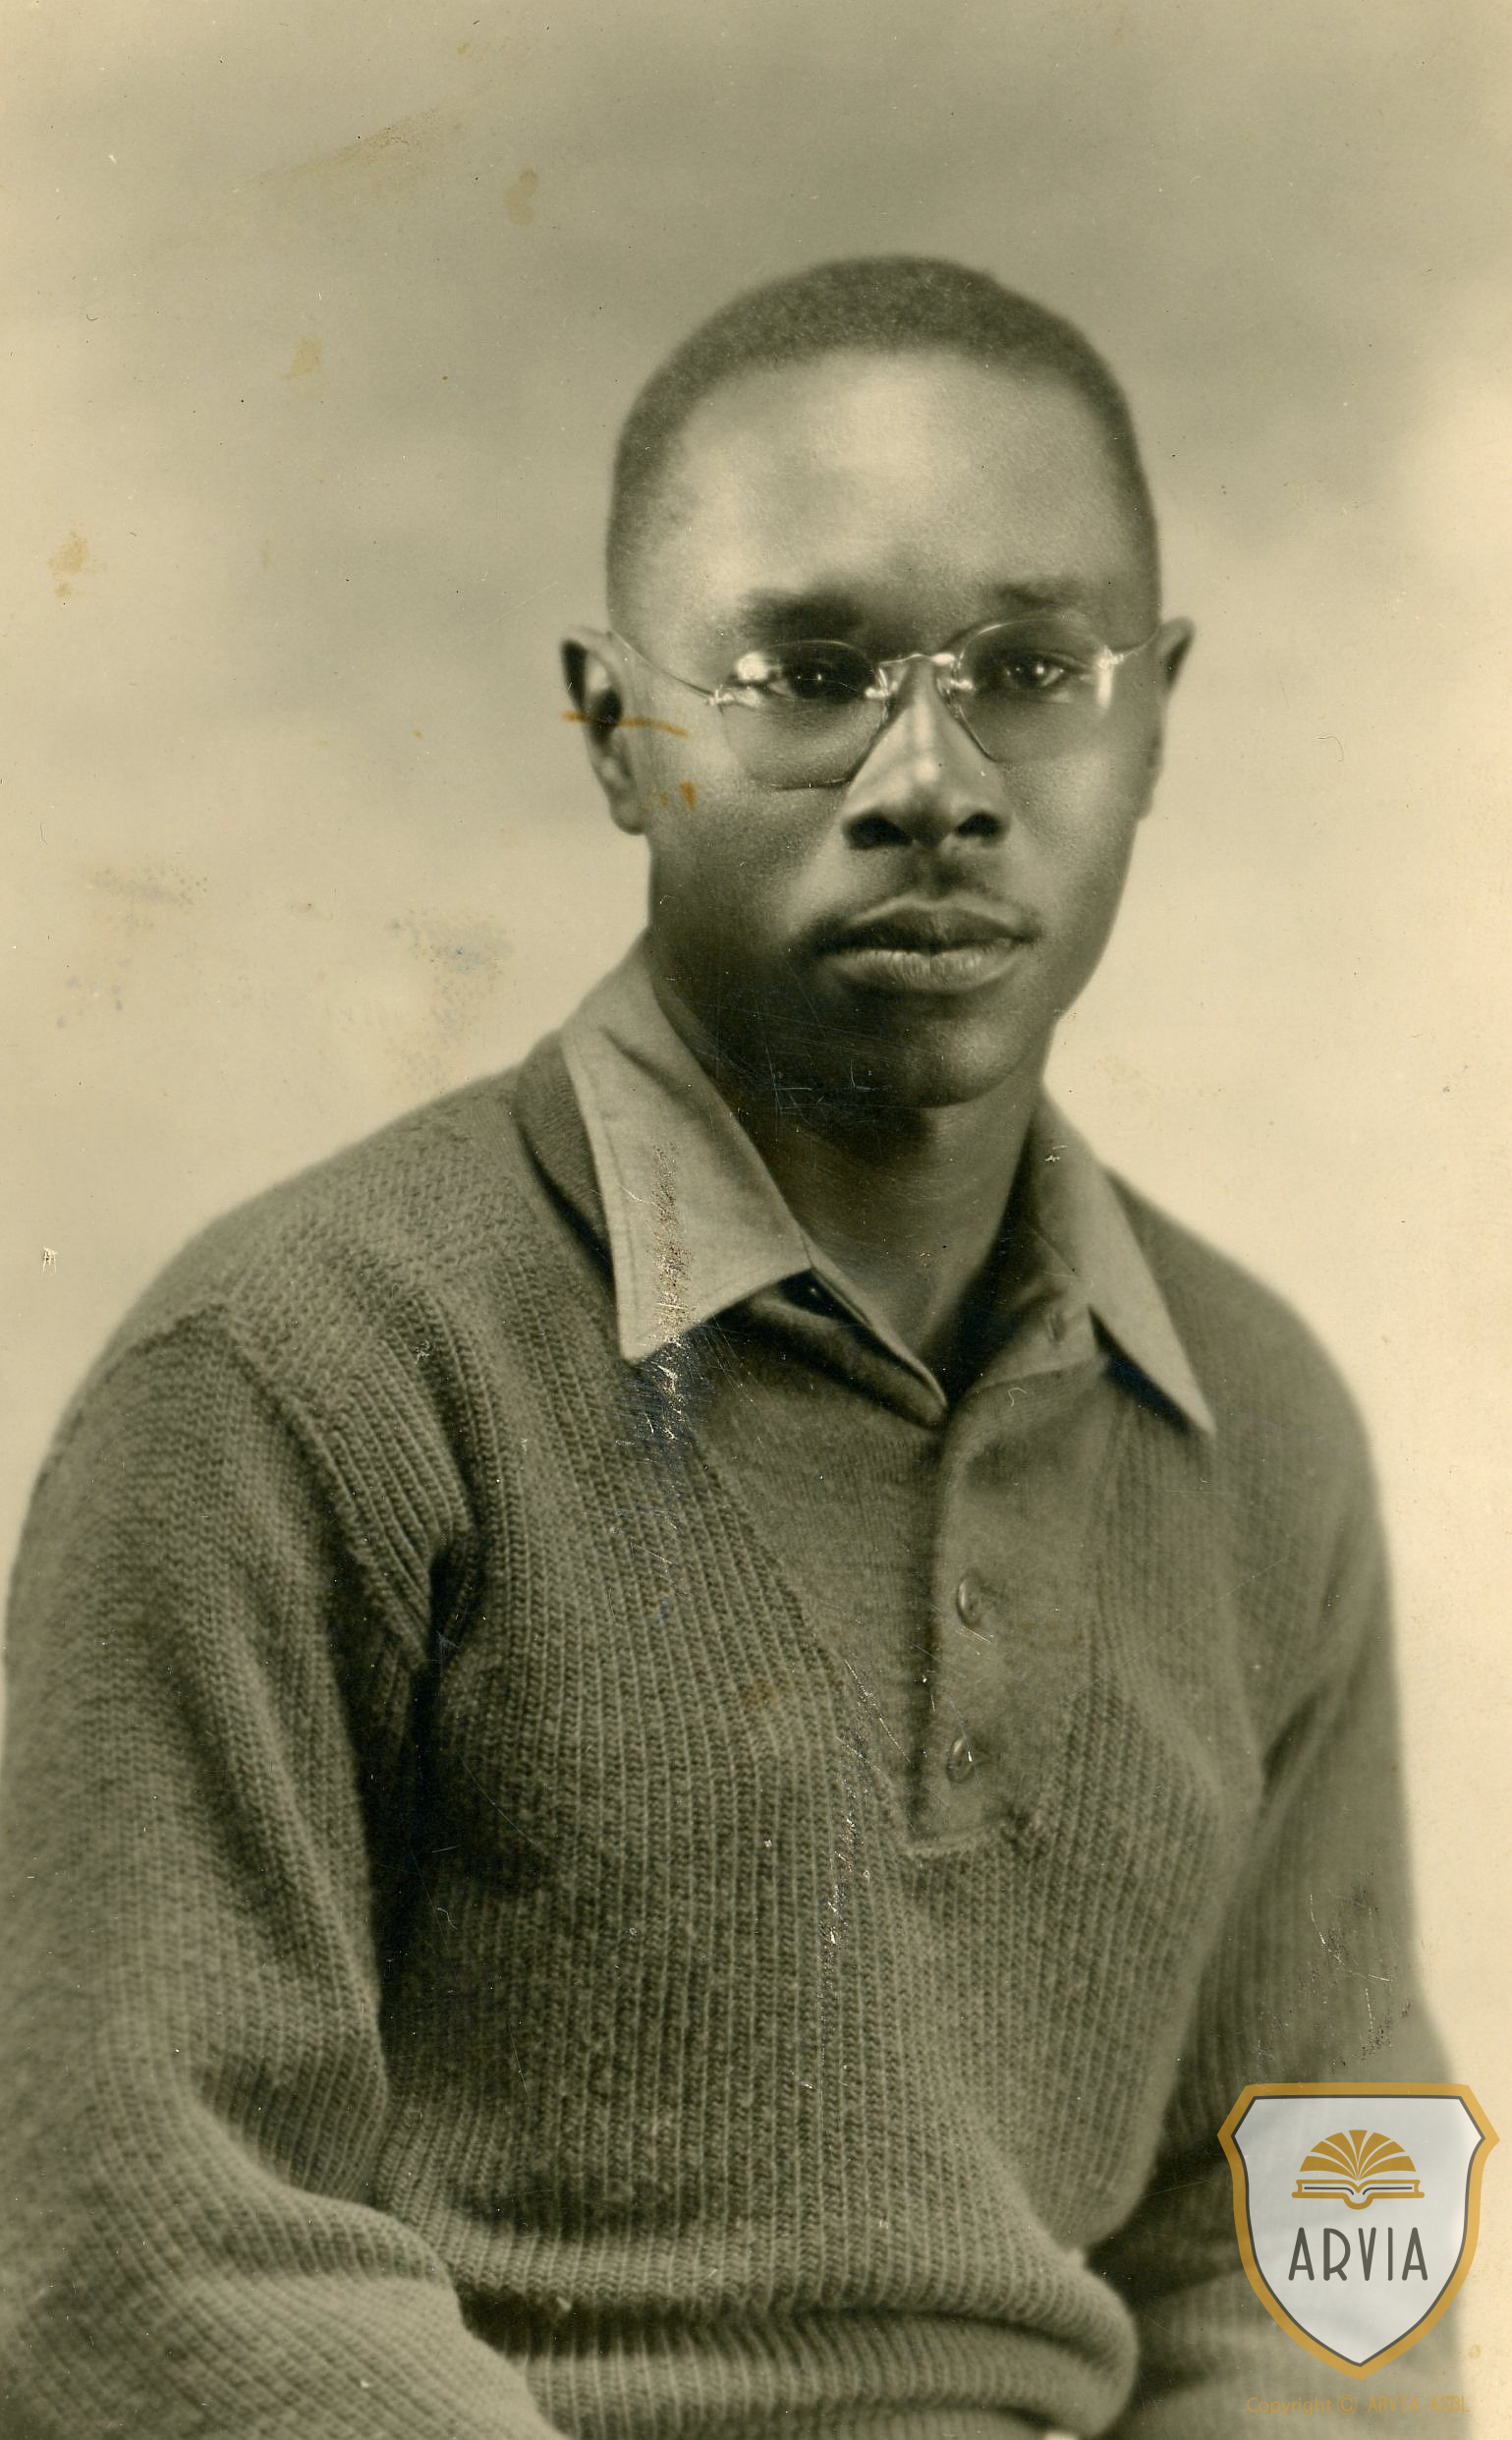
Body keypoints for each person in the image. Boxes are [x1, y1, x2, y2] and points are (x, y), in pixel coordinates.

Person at [0, 256, 1447, 2439]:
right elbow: (140, 2252)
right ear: (614, 729)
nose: (930, 776)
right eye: (809, 670)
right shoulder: (297, 1370)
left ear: (1151, 715)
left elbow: (1323, 2258)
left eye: (1030, 671)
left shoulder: (1257, 1423)